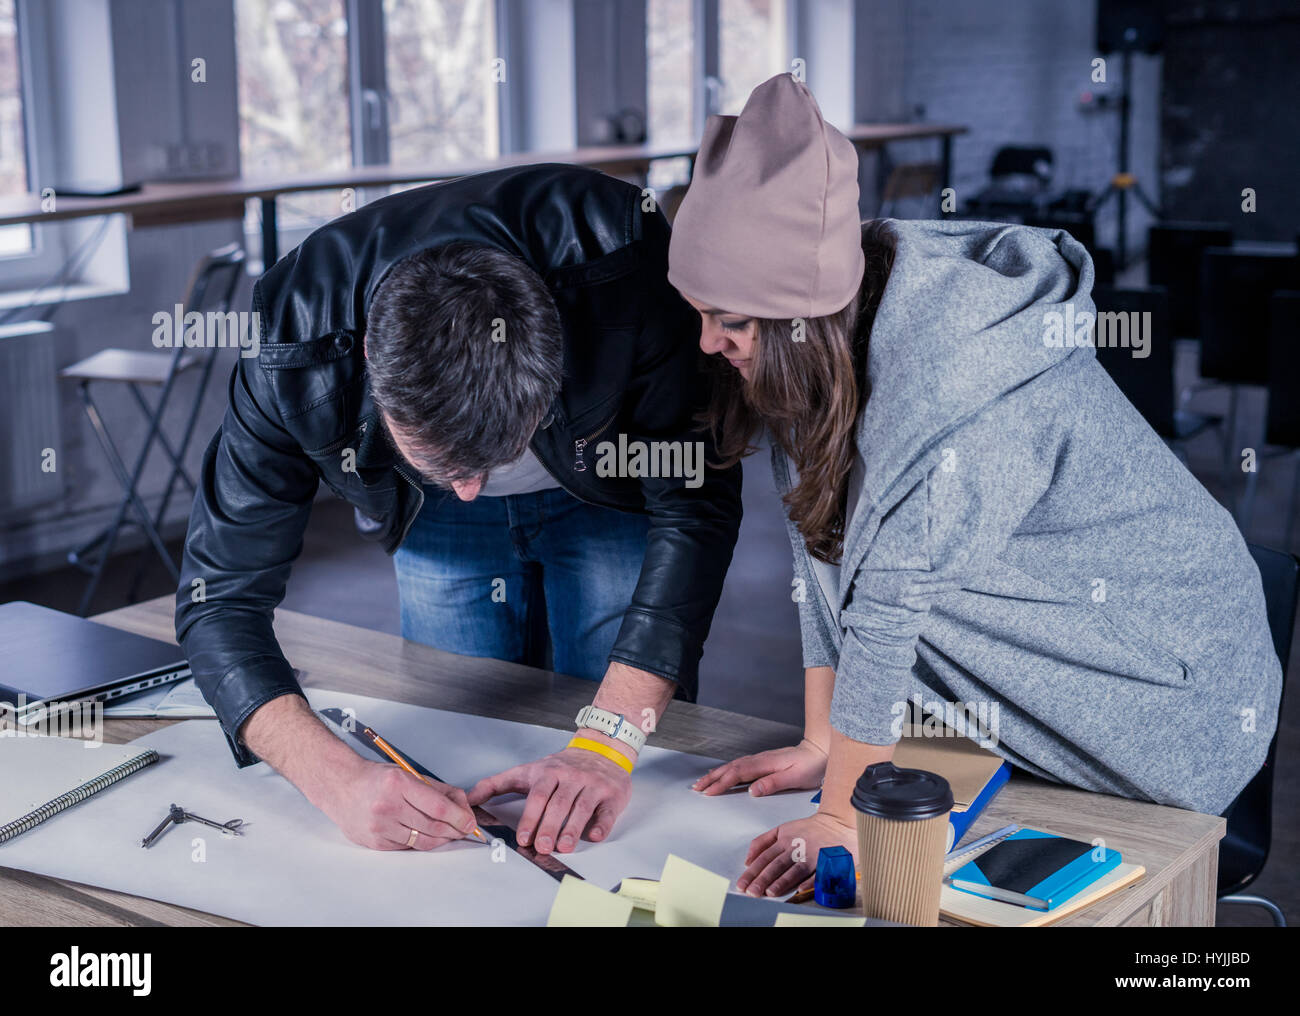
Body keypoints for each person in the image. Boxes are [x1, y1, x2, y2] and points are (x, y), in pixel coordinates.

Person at [667, 74, 1281, 897]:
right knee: (865, 555)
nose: (708, 343)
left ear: (799, 318)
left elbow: (885, 603)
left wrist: (847, 816)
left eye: (731, 321)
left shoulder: (956, 387)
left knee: (893, 570)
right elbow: (818, 554)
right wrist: (823, 743)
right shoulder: (824, 348)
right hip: (1049, 654)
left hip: (1173, 693)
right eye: (699, 313)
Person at [176, 163, 742, 854]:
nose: (472, 487)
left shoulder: (624, 260)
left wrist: (610, 740)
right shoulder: (290, 342)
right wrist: (336, 781)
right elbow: (218, 601)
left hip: (606, 489)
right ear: (369, 365)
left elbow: (694, 501)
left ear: (555, 353)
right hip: (428, 520)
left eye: (493, 456)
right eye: (449, 463)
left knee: (625, 788)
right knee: (461, 743)